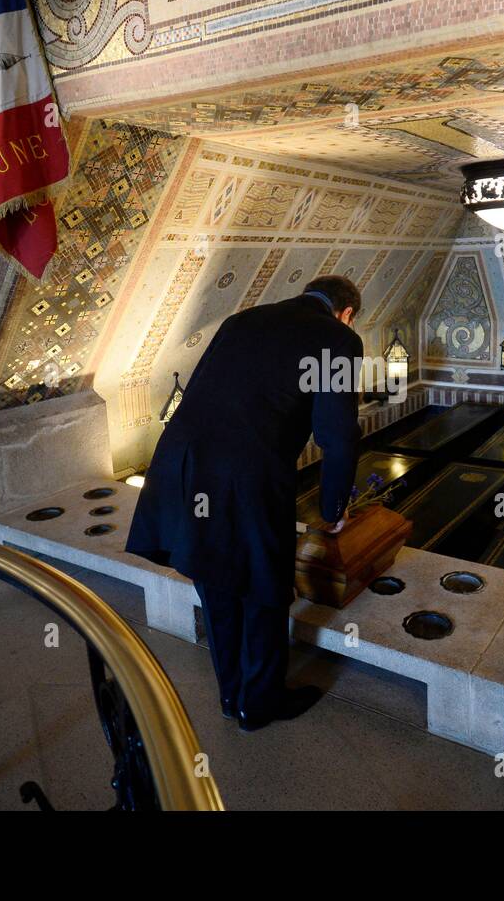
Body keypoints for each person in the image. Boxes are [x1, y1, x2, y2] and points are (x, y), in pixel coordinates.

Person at [125, 276, 364, 731]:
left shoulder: (241, 319)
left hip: (181, 462)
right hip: (245, 473)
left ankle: (232, 693)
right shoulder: (338, 337)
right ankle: (260, 704)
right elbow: (336, 437)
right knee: (263, 586)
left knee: (215, 577)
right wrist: (333, 510)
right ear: (346, 312)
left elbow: (201, 393)